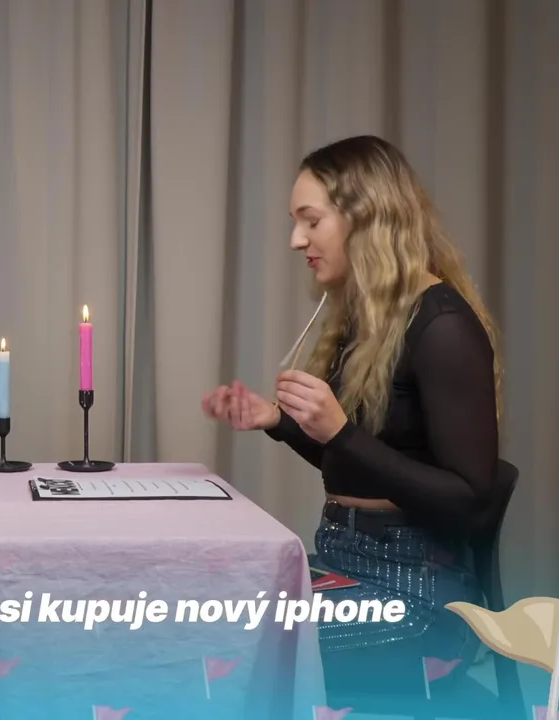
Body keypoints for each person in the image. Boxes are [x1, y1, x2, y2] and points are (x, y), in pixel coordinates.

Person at [203, 135, 503, 696]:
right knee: (200, 621)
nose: (297, 240)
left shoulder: (443, 326)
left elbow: (468, 501)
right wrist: (280, 421)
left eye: (311, 221)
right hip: (346, 562)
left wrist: (340, 431)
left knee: (237, 649)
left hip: (417, 593)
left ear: (366, 218)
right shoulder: (367, 320)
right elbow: (360, 467)